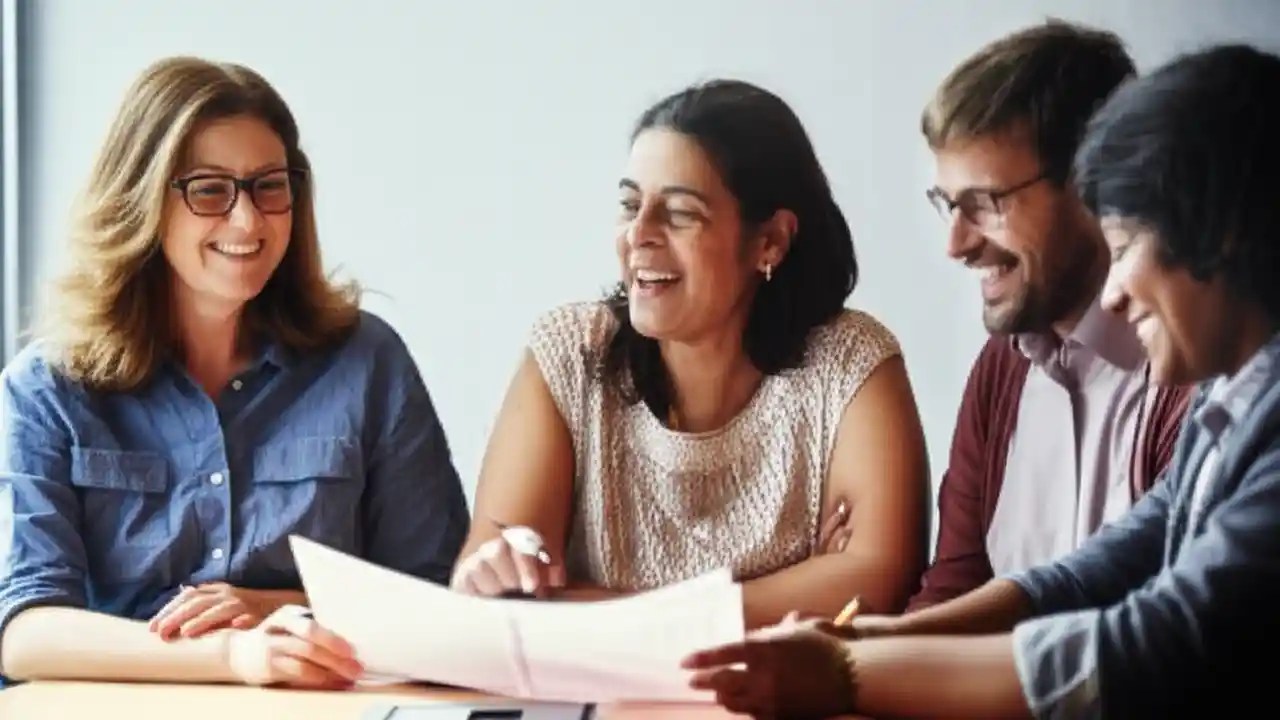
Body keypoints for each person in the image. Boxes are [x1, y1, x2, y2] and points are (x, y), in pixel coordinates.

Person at [683, 43, 1280, 719]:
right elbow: (1099, 569)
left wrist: (851, 672)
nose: (1115, 293)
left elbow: (1152, 644)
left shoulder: (1207, 379)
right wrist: (884, 640)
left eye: (1125, 248)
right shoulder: (1226, 397)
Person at [0, 56, 469, 688]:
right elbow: (26, 633)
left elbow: (432, 591)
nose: (248, 221)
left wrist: (273, 612)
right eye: (209, 189)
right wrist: (231, 654)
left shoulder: (366, 361)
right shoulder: (47, 387)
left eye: (268, 186)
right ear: (142, 197)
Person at [449, 79, 931, 628]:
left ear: (770, 241)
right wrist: (791, 593)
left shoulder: (850, 363)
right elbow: (499, 602)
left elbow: (878, 583)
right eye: (631, 204)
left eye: (679, 213)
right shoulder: (570, 353)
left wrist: (584, 609)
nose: (639, 234)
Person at [905, 19, 1191, 610]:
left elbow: (1162, 644)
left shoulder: (1193, 365)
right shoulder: (1000, 369)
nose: (956, 245)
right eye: (947, 205)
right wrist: (863, 656)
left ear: (1093, 184)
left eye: (984, 204)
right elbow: (952, 593)